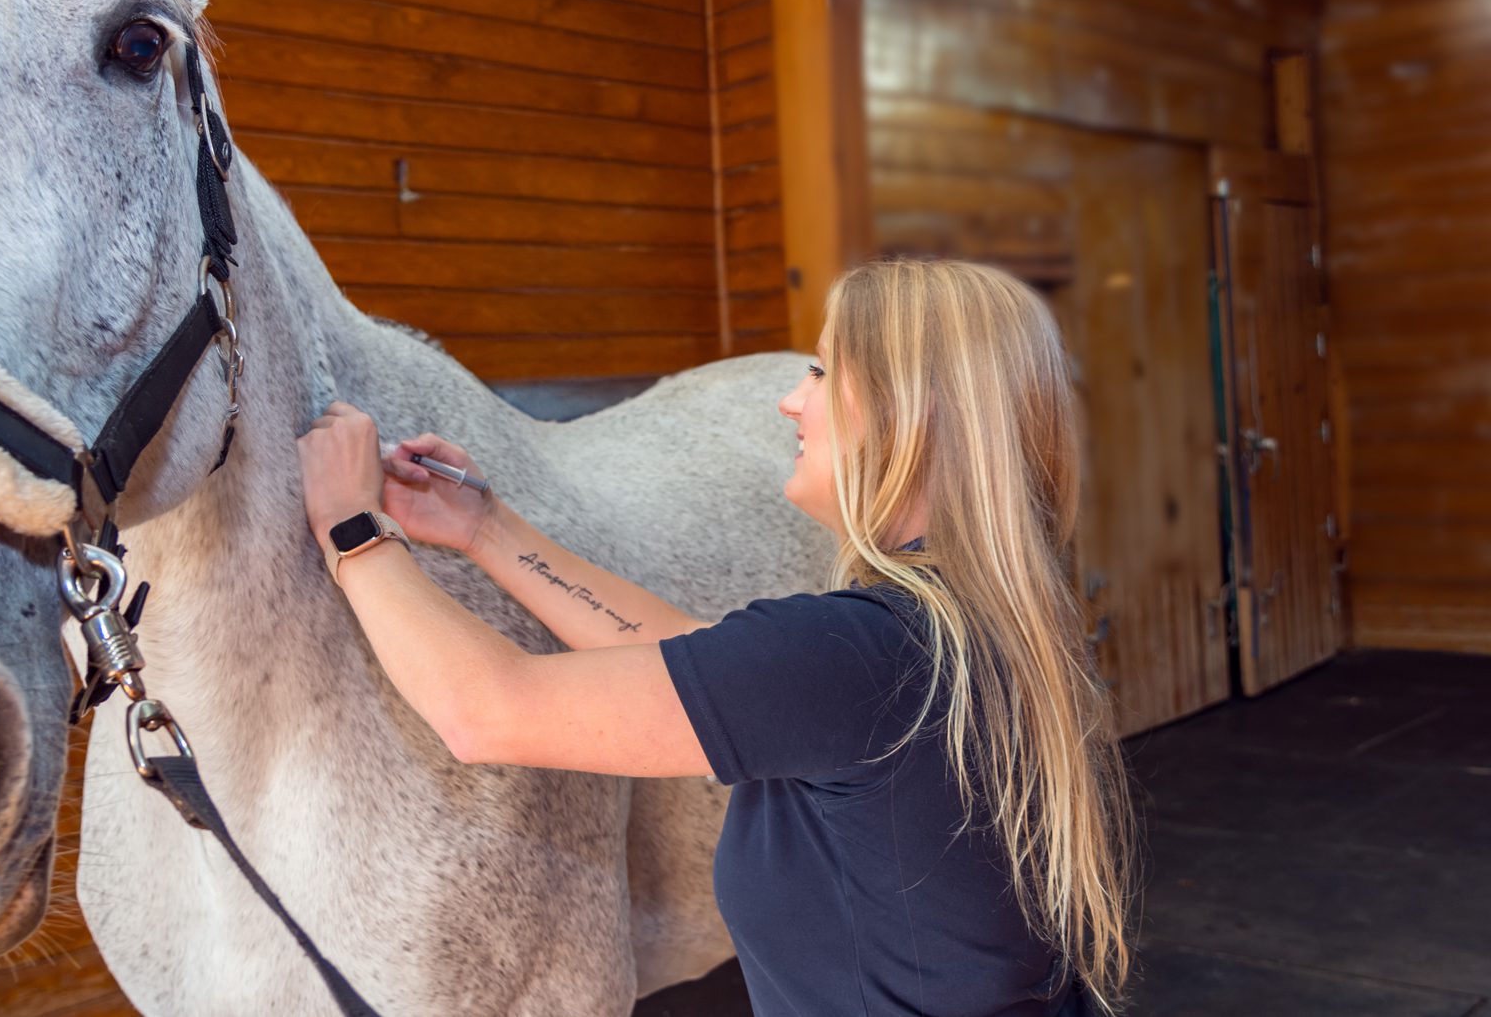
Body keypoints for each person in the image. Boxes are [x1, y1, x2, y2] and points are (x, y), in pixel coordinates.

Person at [294, 258, 1134, 1016]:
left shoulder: (854, 649)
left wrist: (353, 531)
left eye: (821, 371)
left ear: (908, 416)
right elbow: (695, 656)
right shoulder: (961, 624)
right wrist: (487, 530)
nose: (789, 399)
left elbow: (487, 709)